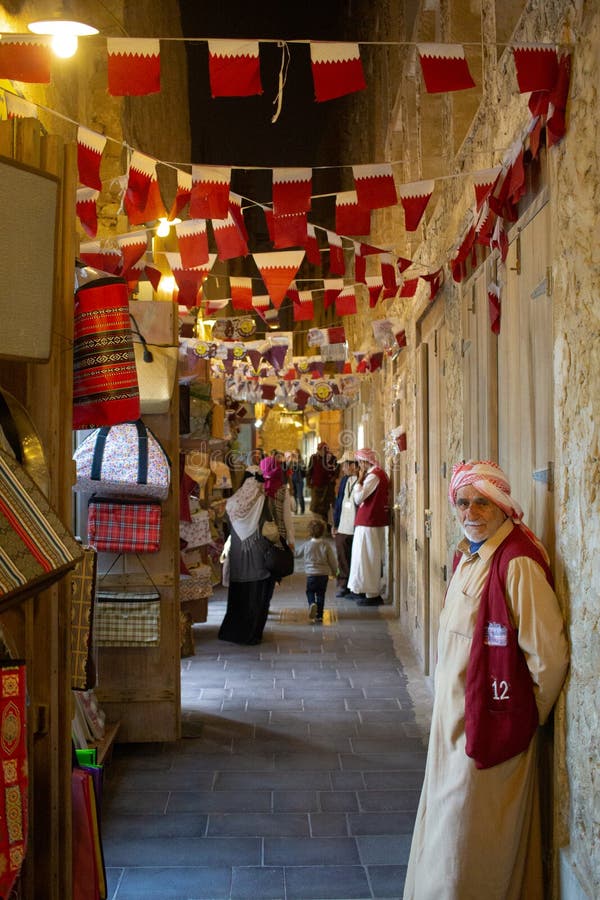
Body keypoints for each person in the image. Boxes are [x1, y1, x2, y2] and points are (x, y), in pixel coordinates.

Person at [403, 460, 569, 900]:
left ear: (502, 508)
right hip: (453, 727)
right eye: (462, 502)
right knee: (446, 827)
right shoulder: (468, 555)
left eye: (482, 503)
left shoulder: (517, 563)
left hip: (492, 727)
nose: (470, 512)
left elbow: (548, 657)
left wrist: (516, 717)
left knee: (471, 839)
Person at [218, 469, 274, 645]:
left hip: (237, 555)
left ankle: (233, 630)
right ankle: (252, 632)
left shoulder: (232, 502)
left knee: (238, 595)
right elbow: (269, 523)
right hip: (257, 554)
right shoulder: (262, 500)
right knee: (256, 595)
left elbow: (226, 525)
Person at [347, 448, 390, 606]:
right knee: (362, 557)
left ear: (366, 462)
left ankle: (372, 593)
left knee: (368, 558)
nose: (358, 466)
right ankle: (363, 589)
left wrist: (359, 481)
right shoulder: (374, 474)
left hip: (369, 522)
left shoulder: (374, 476)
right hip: (367, 522)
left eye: (360, 462)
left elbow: (358, 498)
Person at [297, 518, 337, 623]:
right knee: (321, 594)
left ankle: (311, 604)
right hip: (323, 575)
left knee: (310, 591)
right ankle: (319, 615)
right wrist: (335, 572)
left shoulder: (306, 545)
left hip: (311, 575)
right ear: (323, 531)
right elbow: (332, 561)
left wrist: (289, 549)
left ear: (309, 532)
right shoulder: (326, 545)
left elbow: (297, 554)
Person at [331, 451, 359, 597]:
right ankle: (344, 583)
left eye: (345, 465)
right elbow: (339, 501)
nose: (343, 469)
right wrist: (335, 523)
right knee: (342, 554)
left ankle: (353, 584)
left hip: (357, 524)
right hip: (343, 524)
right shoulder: (344, 481)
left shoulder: (361, 479)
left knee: (355, 555)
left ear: (353, 465)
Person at [259, 455, 295, 553]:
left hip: (262, 535)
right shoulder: (283, 490)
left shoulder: (257, 490)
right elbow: (287, 516)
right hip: (279, 535)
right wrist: (291, 540)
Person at [306, 442, 338, 524]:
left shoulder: (332, 458)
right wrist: (308, 482)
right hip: (317, 487)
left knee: (328, 506)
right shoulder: (313, 458)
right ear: (319, 450)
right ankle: (318, 524)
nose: (323, 452)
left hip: (328, 488)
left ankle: (329, 524)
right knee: (316, 506)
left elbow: (337, 470)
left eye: (325, 449)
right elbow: (309, 471)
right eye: (321, 450)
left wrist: (333, 478)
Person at [289, 450, 306, 514]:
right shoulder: (291, 461)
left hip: (299, 480)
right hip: (292, 480)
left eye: (295, 453)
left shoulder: (301, 461)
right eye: (293, 453)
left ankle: (302, 509)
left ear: (298, 454)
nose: (294, 454)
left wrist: (297, 462)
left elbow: (303, 468)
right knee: (294, 495)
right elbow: (287, 468)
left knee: (300, 495)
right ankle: (295, 510)